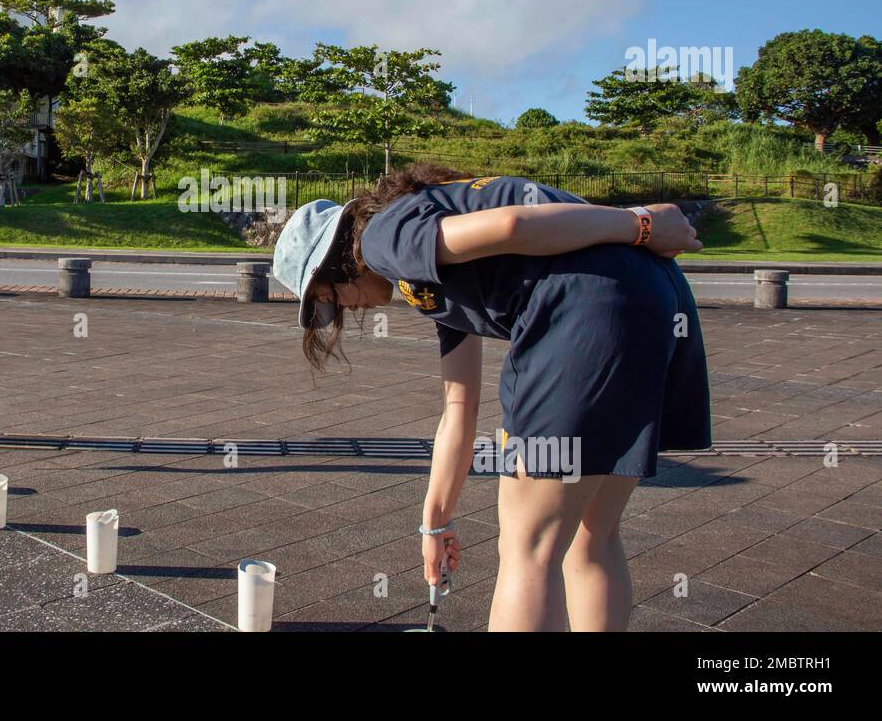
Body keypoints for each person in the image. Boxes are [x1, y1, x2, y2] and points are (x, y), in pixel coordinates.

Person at [272, 163, 711, 631]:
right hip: (654, 298)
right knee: (593, 537)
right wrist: (434, 523)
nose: (341, 310)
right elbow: (458, 409)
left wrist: (640, 223)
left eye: (326, 298)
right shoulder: (428, 273)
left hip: (585, 307)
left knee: (529, 550)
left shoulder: (381, 237)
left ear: (340, 257)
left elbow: (512, 226)